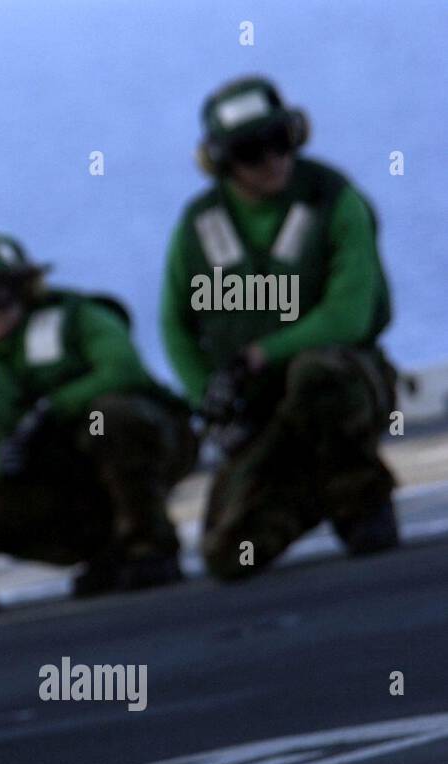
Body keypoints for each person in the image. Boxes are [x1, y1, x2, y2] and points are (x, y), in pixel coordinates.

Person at [161, 76, 398, 579]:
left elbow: (348, 317)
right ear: (223, 163)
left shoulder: (336, 200)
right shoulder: (199, 227)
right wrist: (210, 395)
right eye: (251, 151)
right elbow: (174, 323)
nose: (272, 160)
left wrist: (260, 356)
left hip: (344, 386)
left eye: (280, 142)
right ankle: (315, 491)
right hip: (258, 413)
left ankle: (361, 501)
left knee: (319, 372)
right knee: (226, 556)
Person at [0, 232, 196, 604]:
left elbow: (124, 370)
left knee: (112, 418)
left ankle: (148, 547)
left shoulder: (79, 316)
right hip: (51, 478)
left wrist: (55, 407)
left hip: (136, 446)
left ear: (25, 289)